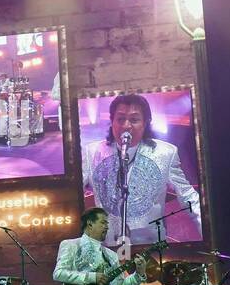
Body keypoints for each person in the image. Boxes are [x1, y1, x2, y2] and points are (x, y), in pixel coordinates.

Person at [81, 93, 202, 245]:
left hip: (150, 248)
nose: (126, 125)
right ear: (112, 121)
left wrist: (210, 233)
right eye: (120, 119)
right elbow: (71, 195)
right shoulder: (92, 152)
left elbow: (189, 198)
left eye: (134, 120)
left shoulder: (165, 153)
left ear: (146, 123)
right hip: (106, 246)